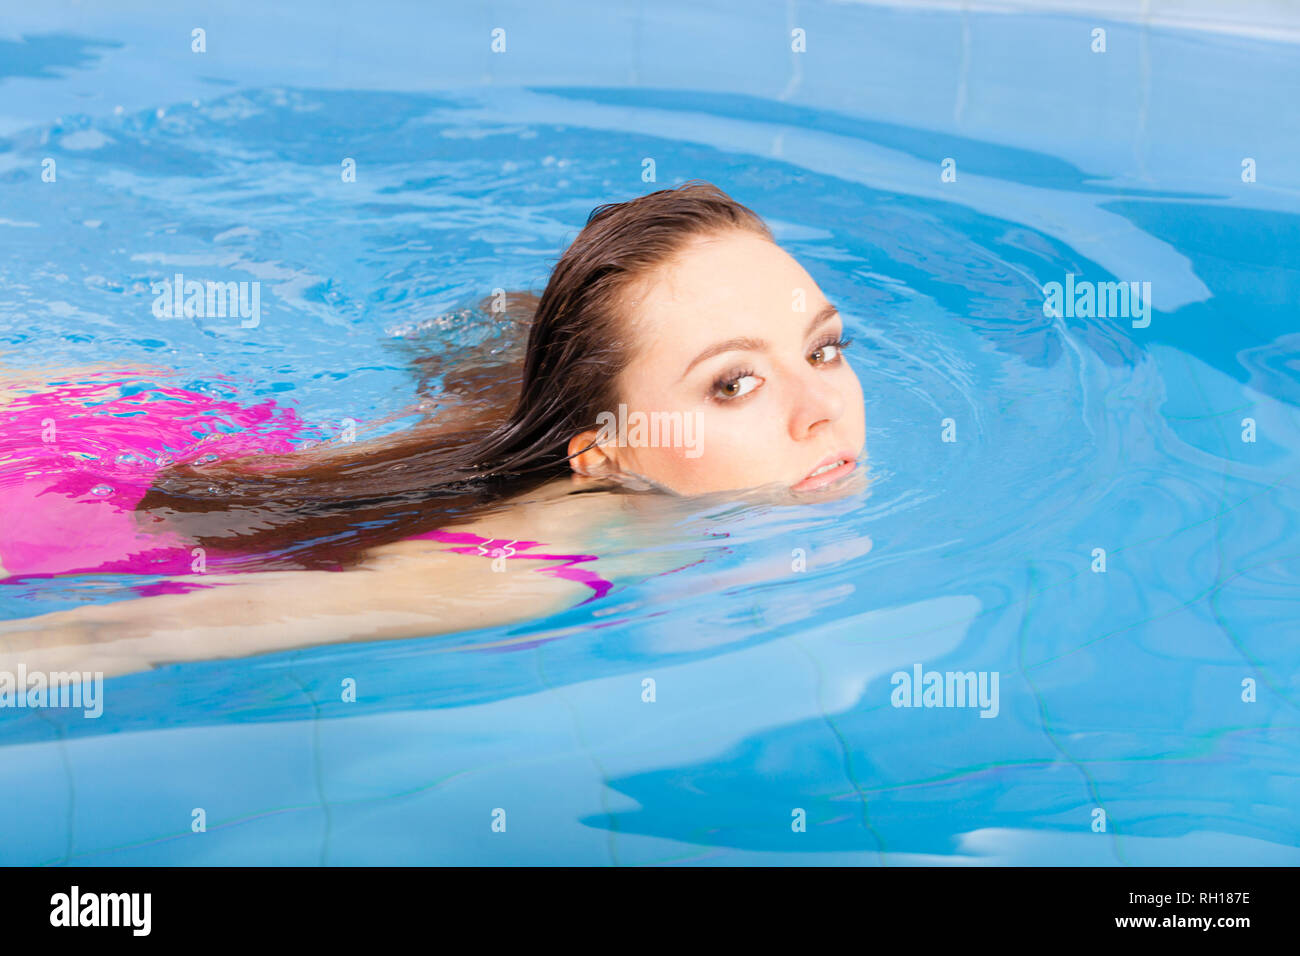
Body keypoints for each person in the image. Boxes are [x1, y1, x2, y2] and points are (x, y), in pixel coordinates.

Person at [0, 181, 867, 677]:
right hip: (65, 514)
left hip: (168, 422)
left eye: (824, 349)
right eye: (734, 383)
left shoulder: (559, 437)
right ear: (601, 452)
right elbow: (122, 634)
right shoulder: (520, 577)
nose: (821, 408)